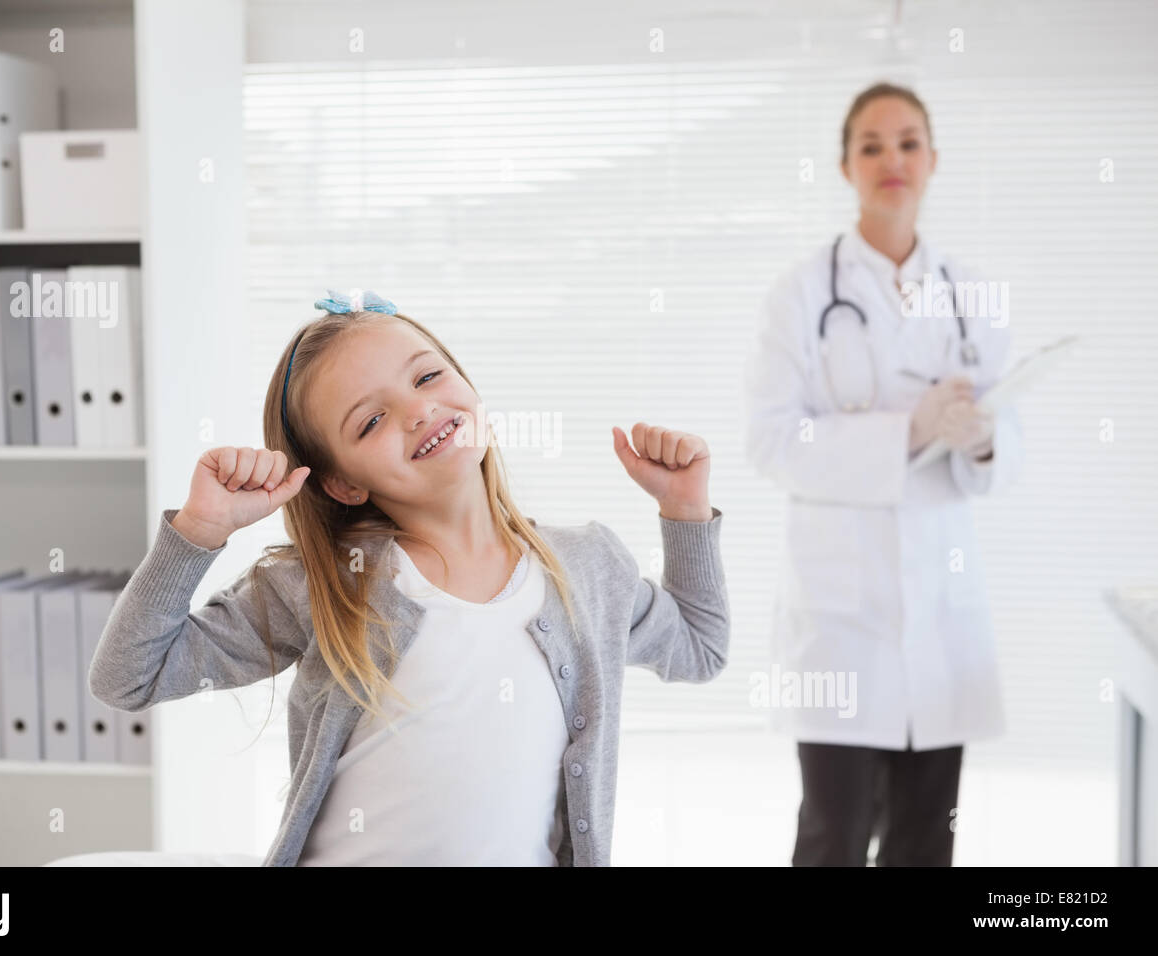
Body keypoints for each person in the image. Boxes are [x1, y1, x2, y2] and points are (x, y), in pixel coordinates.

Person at [90, 290, 730, 866]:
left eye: (428, 376)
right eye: (370, 421)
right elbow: (128, 677)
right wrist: (199, 531)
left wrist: (685, 510)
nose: (419, 410)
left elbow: (701, 649)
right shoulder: (327, 587)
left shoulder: (589, 569)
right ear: (343, 482)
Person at [744, 84, 1022, 866]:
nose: (890, 159)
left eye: (907, 142)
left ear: (933, 160)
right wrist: (907, 431)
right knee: (832, 838)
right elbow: (771, 440)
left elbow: (1012, 433)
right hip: (842, 619)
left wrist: (982, 440)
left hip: (943, 613)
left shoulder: (972, 293)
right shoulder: (801, 294)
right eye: (871, 145)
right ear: (845, 165)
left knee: (927, 842)